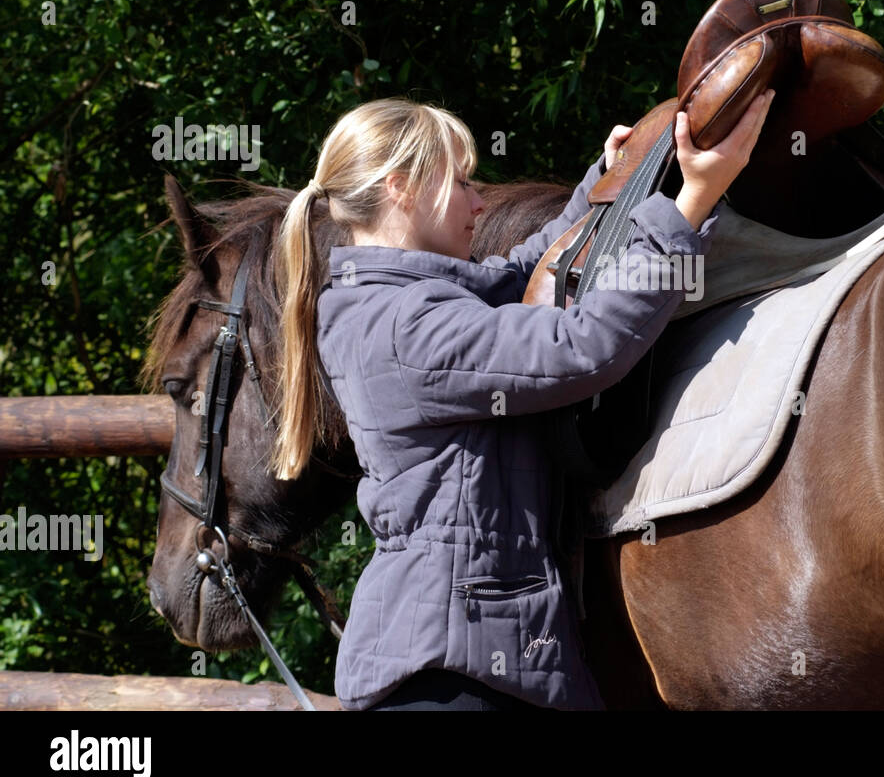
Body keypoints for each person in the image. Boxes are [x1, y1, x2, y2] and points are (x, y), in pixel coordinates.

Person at [270, 92, 774, 710]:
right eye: (461, 182)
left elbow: (518, 278)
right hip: (456, 677)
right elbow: (579, 345)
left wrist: (609, 182)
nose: (480, 201)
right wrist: (689, 207)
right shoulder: (404, 324)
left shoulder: (395, 303)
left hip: (464, 664)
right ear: (400, 187)